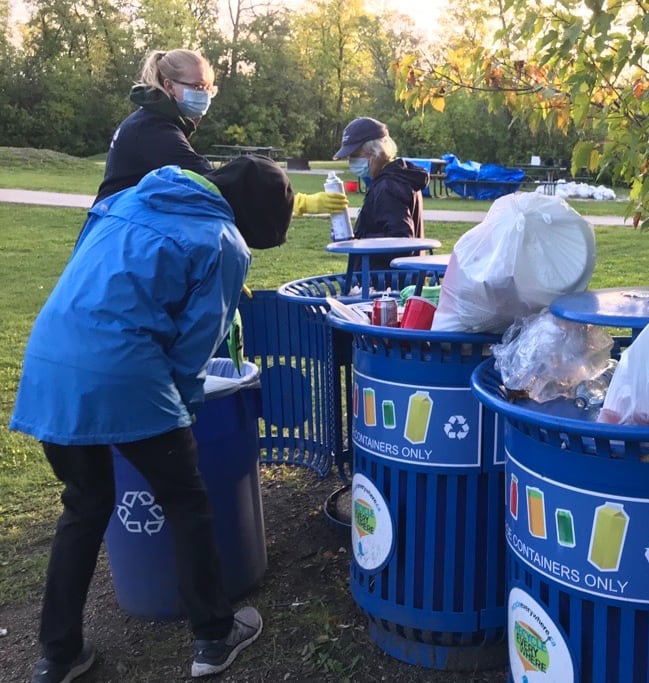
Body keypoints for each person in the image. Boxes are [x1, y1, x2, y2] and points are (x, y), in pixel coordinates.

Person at [10, 155, 294, 683]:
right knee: (185, 500)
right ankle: (214, 636)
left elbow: (87, 276)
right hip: (126, 369)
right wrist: (183, 414)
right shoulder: (222, 239)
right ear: (255, 220)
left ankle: (58, 655)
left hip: (50, 362)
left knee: (84, 505)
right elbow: (195, 348)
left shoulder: (129, 199)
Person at [94, 48, 344, 217]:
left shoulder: (153, 121)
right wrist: (299, 204)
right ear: (169, 85)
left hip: (121, 224)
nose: (203, 94)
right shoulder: (154, 130)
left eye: (208, 88)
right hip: (115, 232)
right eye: (197, 87)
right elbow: (212, 183)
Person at [333, 116, 429, 269]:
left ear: (375, 152)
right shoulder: (395, 178)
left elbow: (402, 240)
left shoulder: (388, 186)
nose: (351, 161)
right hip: (393, 278)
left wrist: (358, 241)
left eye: (355, 155)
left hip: (386, 282)